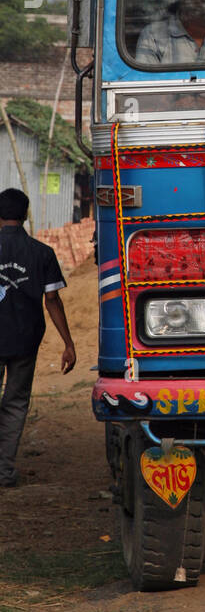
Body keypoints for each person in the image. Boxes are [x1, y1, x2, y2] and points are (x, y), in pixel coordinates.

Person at [0, 189, 76, 487]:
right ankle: (4, 472)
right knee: (16, 403)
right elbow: (53, 299)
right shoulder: (42, 253)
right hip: (24, 339)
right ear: (26, 215)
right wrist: (68, 343)